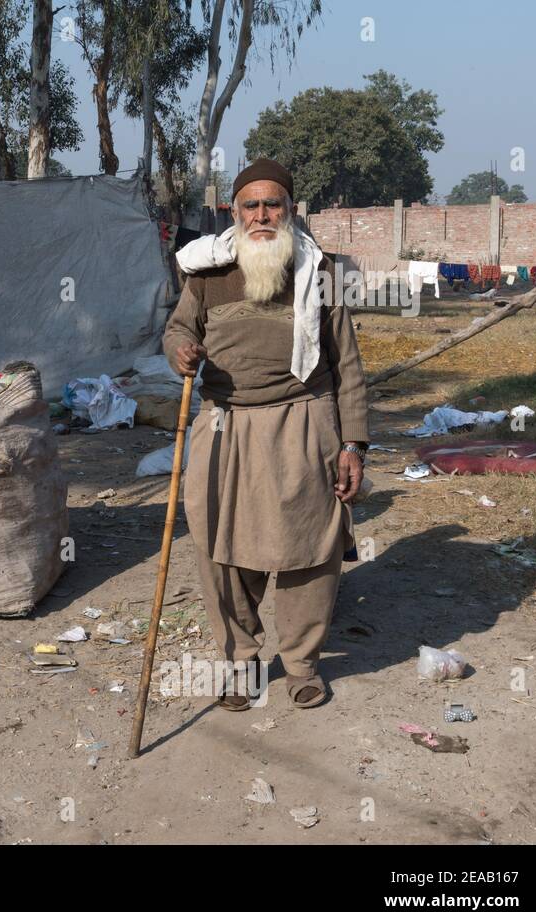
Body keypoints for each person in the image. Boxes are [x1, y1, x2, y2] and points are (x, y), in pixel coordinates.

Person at [162, 158, 369, 710]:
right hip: (226, 425)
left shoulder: (319, 273)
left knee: (310, 547)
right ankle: (240, 664)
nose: (261, 215)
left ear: (290, 210)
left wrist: (353, 446)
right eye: (250, 205)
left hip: (304, 420)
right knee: (221, 546)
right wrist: (180, 352)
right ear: (234, 211)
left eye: (272, 204)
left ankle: (301, 665)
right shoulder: (206, 271)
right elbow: (180, 328)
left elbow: (347, 365)